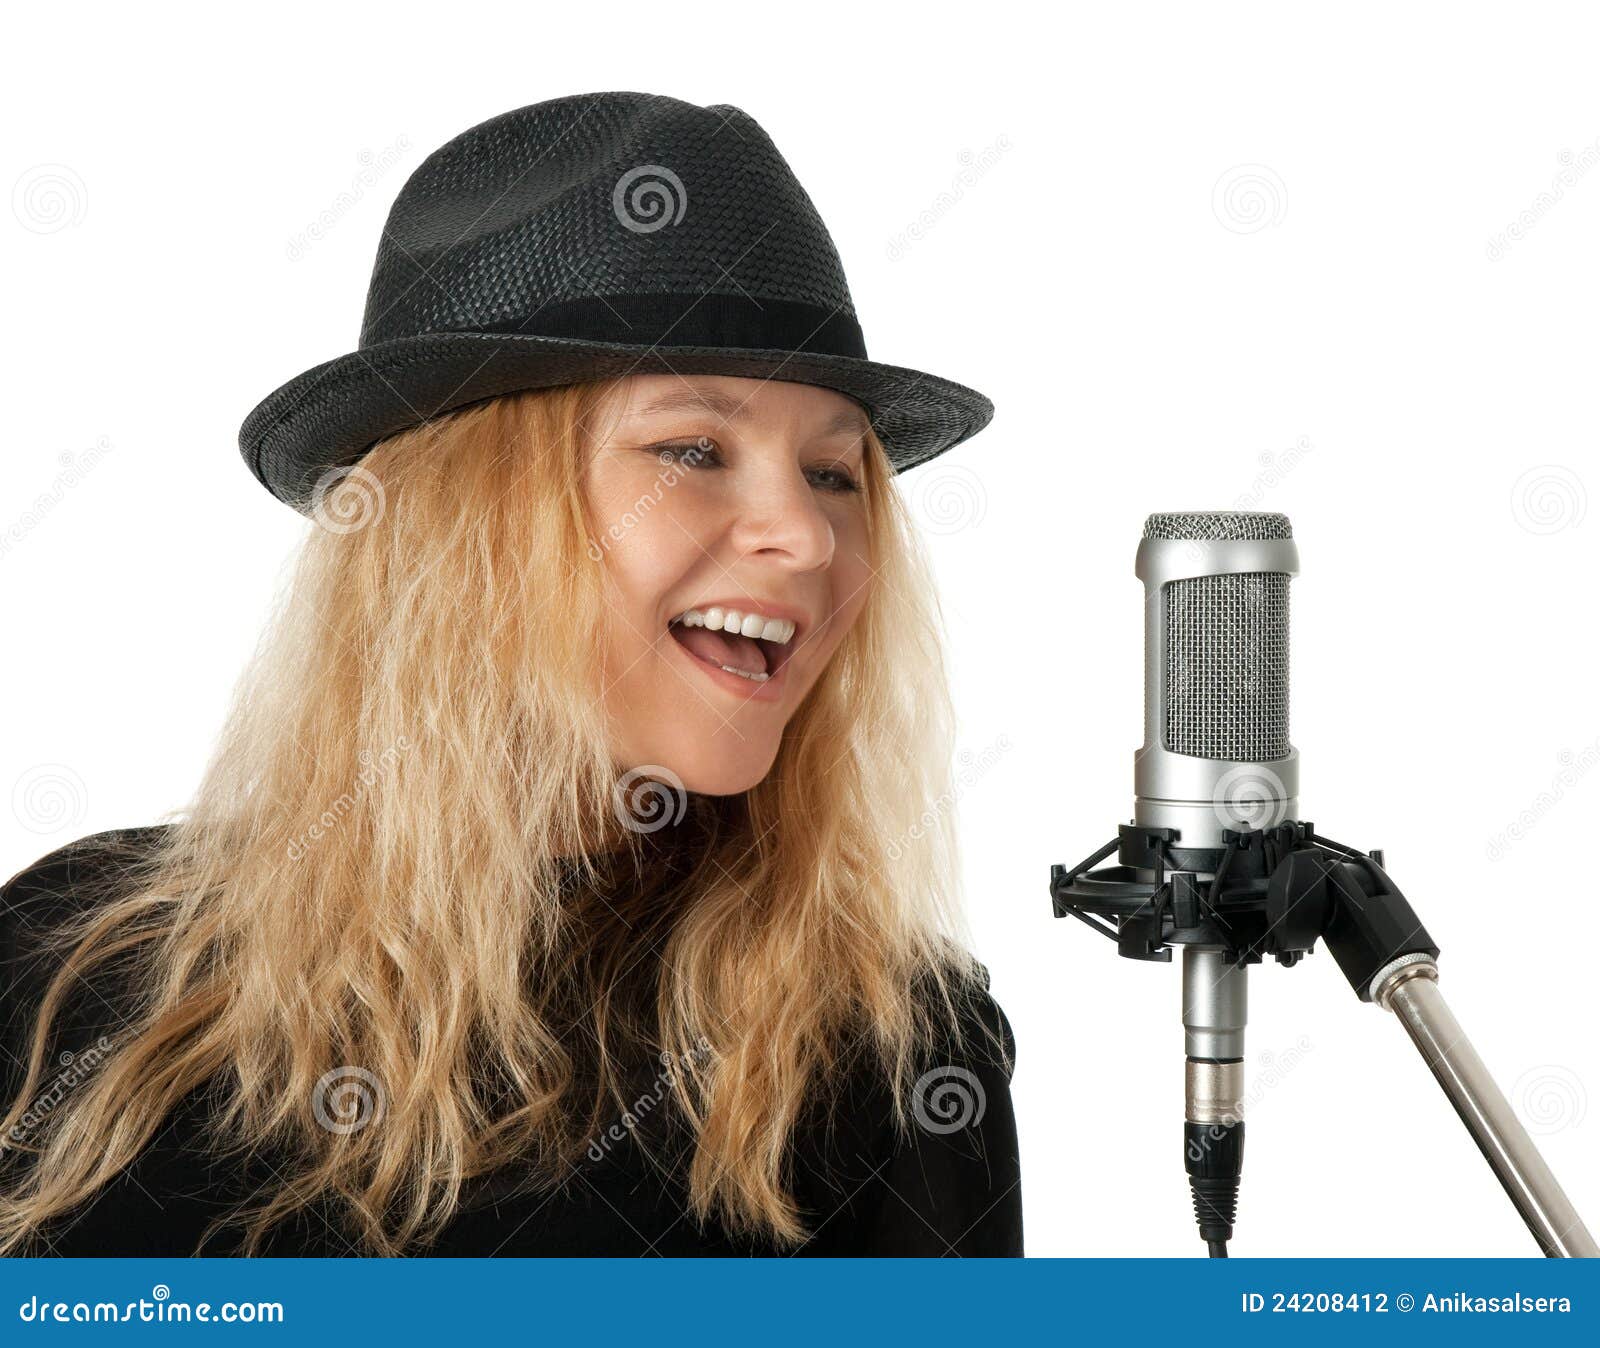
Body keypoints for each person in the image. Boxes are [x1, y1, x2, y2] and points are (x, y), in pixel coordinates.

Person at [0, 91, 1019, 1256]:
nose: (806, 534)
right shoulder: (72, 965)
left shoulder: (887, 1051)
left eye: (837, 474)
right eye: (692, 450)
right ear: (462, 527)